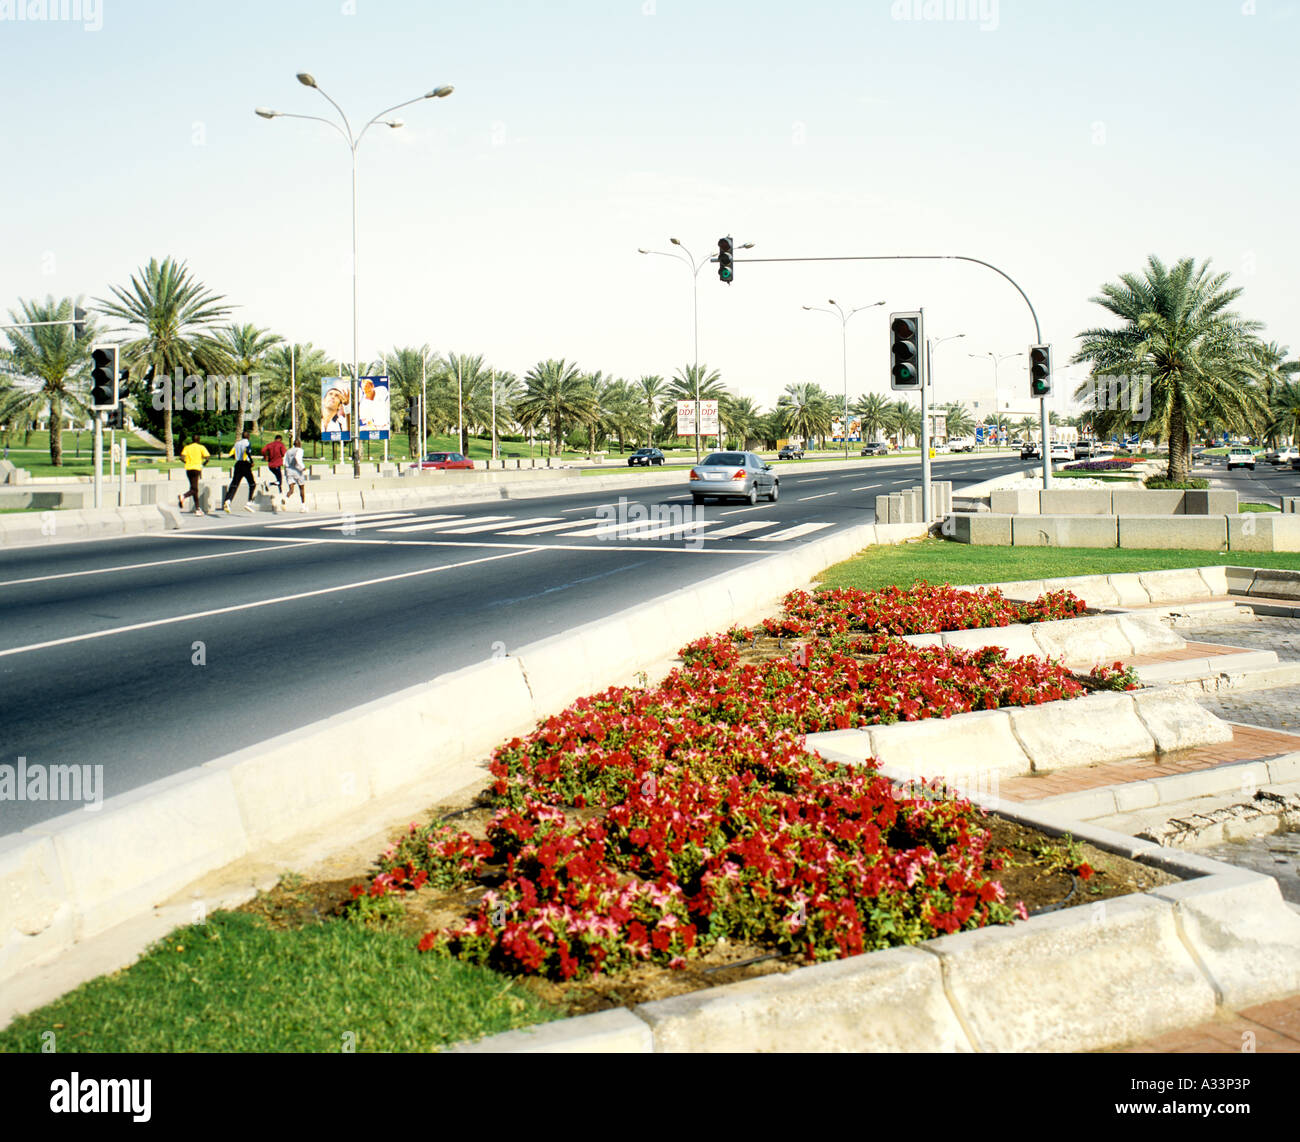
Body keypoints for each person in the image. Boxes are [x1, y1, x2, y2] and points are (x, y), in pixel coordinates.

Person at [221, 429, 257, 513]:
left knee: (234, 484)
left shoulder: (237, 443)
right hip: (245, 464)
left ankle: (228, 500)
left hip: (238, 464)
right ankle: (249, 503)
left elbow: (231, 454)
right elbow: (248, 451)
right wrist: (251, 461)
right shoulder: (247, 443)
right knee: (252, 484)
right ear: (248, 436)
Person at [178, 433, 210, 515]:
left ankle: (197, 508)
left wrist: (186, 462)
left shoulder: (187, 447)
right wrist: (203, 464)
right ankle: (183, 496)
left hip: (188, 469)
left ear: (192, 439)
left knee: (194, 488)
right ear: (199, 440)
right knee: (194, 489)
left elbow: (181, 457)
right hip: (196, 469)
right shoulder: (201, 447)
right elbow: (207, 458)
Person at [284, 437, 308, 512]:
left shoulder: (288, 451)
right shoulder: (299, 450)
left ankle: (285, 499)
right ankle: (303, 506)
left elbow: (284, 462)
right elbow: (298, 458)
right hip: (297, 471)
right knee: (301, 488)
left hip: (289, 470)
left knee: (291, 489)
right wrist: (303, 467)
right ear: (299, 444)